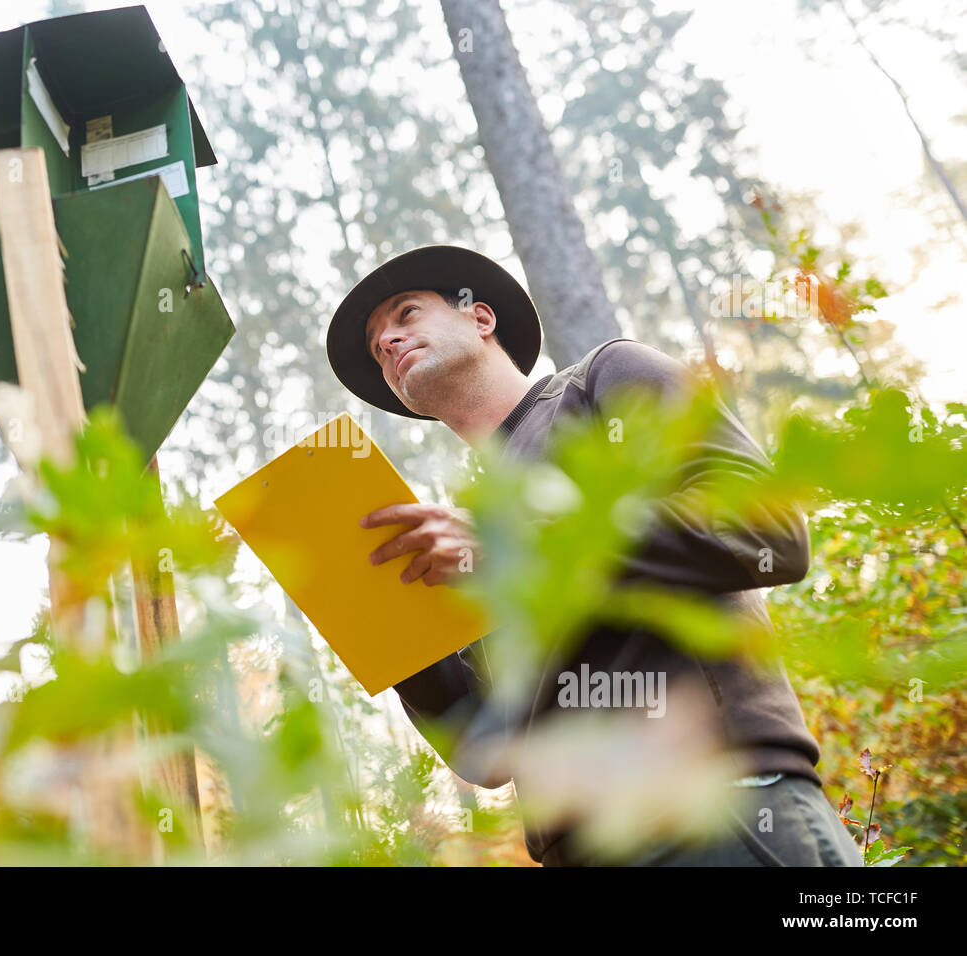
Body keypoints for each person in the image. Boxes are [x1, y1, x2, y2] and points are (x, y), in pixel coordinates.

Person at [325, 244, 862, 866]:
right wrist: (384, 622)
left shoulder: (604, 380)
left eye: (405, 313)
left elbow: (767, 534)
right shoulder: (468, 525)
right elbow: (483, 749)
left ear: (480, 318)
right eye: (375, 347)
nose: (387, 342)